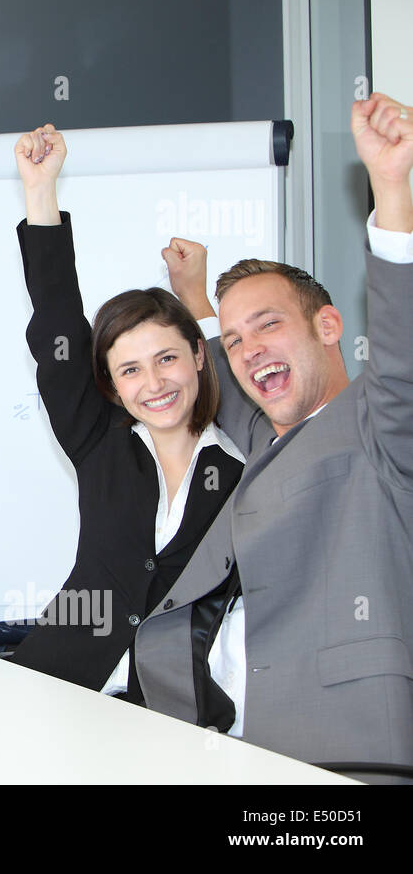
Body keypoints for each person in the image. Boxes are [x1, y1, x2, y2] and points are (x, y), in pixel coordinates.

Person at [135, 93, 413, 779]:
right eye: (233, 340)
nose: (249, 349)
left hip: (339, 749)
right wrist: (196, 299)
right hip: (230, 743)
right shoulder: (267, 438)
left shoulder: (378, 422)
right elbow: (225, 395)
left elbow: (404, 345)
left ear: (327, 326)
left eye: (268, 325)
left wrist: (392, 186)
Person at [4, 125, 244, 704]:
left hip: (179, 711)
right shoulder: (99, 438)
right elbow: (58, 318)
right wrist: (41, 192)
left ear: (198, 357)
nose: (154, 383)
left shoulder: (246, 459)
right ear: (111, 382)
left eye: (167, 359)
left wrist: (199, 303)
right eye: (130, 369)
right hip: (58, 689)